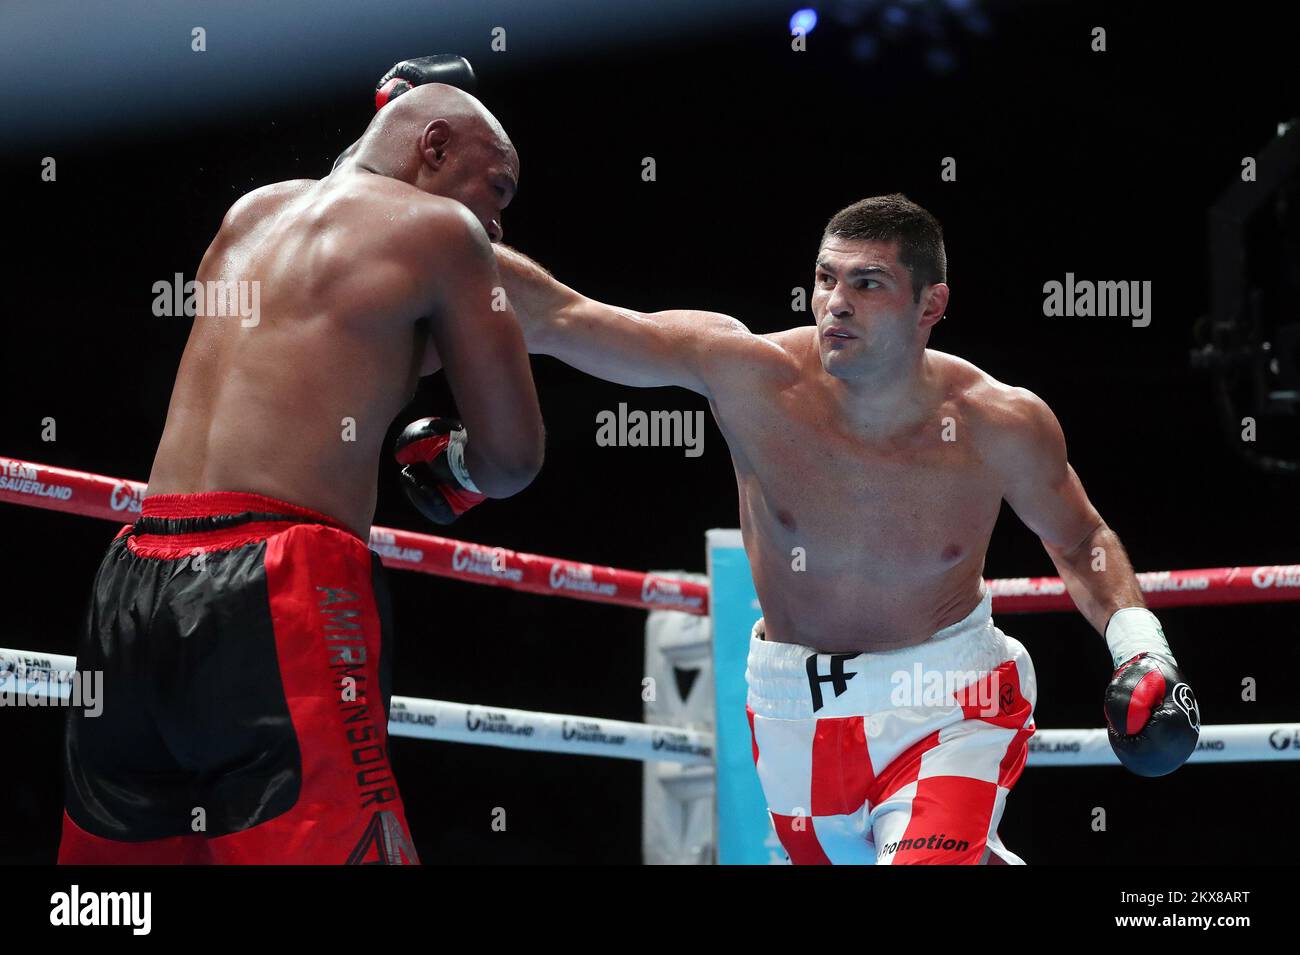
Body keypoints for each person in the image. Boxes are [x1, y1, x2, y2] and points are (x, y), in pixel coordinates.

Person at [495, 193, 1200, 864]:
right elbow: (560, 317)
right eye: (826, 277)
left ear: (932, 304)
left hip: (948, 702)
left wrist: (1144, 651)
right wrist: (445, 234)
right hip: (791, 715)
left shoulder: (999, 422)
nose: (836, 302)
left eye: (868, 283)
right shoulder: (749, 376)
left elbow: (1080, 540)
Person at [59, 67, 544, 864]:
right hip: (277, 582)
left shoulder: (251, 212)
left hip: (132, 582)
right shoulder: (445, 236)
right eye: (497, 189)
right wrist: (452, 463)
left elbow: (331, 346)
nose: (497, 220)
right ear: (432, 145)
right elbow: (515, 456)